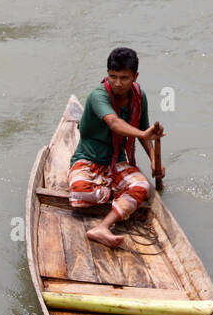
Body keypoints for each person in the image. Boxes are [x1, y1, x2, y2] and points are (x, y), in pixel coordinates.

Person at [68, 46, 165, 248]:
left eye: (124, 77)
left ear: (135, 77)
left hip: (116, 163)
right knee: (80, 193)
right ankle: (118, 199)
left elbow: (143, 129)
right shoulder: (98, 95)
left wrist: (154, 160)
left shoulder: (139, 96)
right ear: (107, 74)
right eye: (113, 76)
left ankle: (103, 227)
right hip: (88, 160)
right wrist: (143, 133)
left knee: (143, 187)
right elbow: (115, 123)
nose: (117, 83)